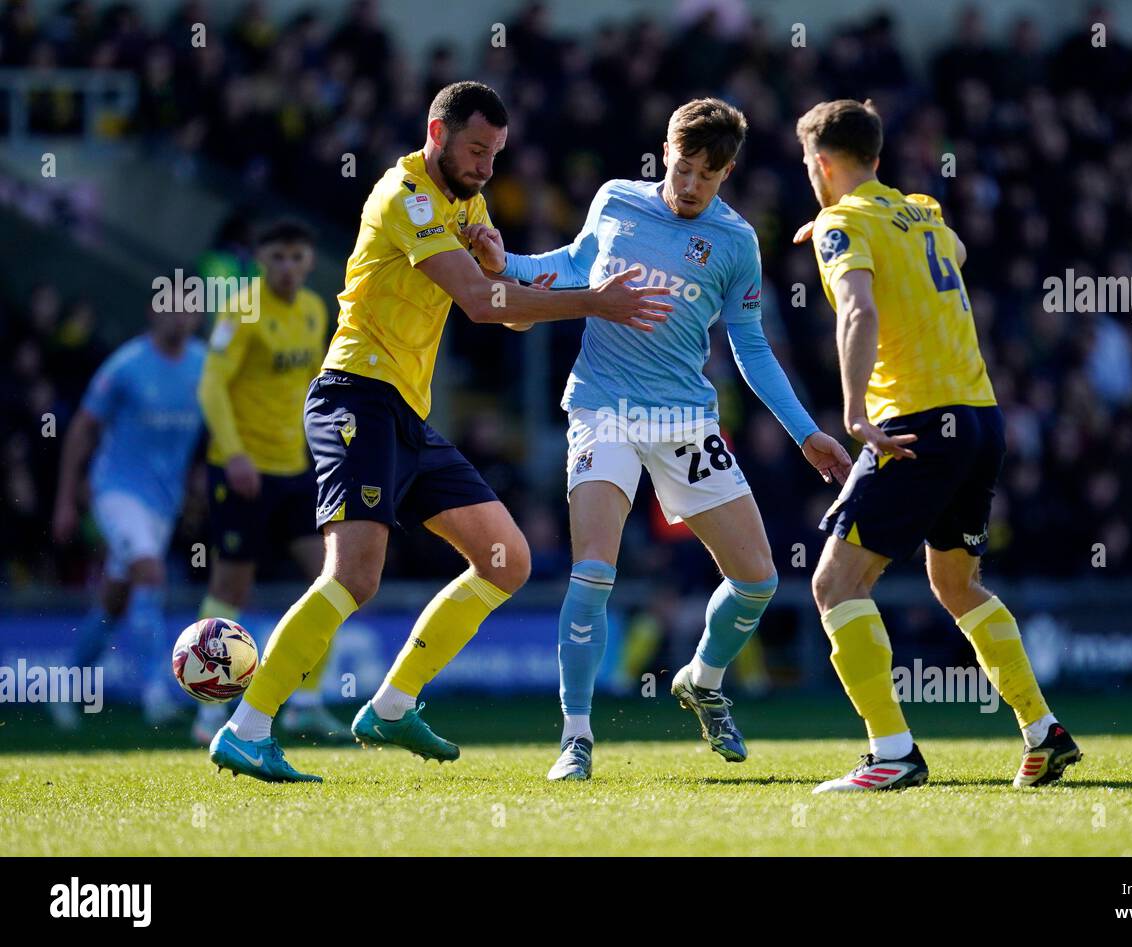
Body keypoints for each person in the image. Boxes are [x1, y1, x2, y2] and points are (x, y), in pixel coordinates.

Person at [208, 80, 672, 782]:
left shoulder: (468, 202)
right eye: (478, 150)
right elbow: (486, 309)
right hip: (355, 400)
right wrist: (594, 303)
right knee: (355, 576)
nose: (487, 167)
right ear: (438, 132)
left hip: (405, 415)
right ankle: (247, 727)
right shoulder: (407, 196)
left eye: (496, 155)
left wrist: (497, 261)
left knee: (506, 559)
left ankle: (392, 704)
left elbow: (507, 310)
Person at [467, 98, 851, 781]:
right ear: (665, 152)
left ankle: (702, 679)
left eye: (706, 173)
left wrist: (805, 432)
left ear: (726, 173)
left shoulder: (735, 244)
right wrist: (507, 261)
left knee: (758, 578)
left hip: (685, 421)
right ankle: (576, 738)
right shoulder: (616, 199)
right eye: (681, 167)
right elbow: (570, 264)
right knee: (593, 570)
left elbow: (752, 348)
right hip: (602, 407)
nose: (689, 184)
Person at [794, 99, 1081, 791]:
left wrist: (856, 411)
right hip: (981, 419)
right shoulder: (922, 209)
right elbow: (944, 252)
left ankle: (892, 752)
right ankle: (1044, 731)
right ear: (878, 160)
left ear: (823, 166)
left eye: (810, 167)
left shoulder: (842, 224)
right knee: (956, 583)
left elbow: (859, 308)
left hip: (916, 422)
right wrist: (839, 220)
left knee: (835, 584)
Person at [192, 219, 347, 746]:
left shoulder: (313, 309)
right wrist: (233, 455)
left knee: (332, 577)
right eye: (277, 257)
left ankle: (305, 702)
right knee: (232, 585)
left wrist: (327, 444)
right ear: (260, 260)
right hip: (241, 469)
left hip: (295, 468)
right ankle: (209, 712)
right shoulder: (241, 308)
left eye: (297, 257)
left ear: (309, 261)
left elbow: (310, 385)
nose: (288, 267)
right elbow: (212, 383)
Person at [52, 306, 205, 727]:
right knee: (150, 571)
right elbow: (83, 427)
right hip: (115, 490)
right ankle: (158, 692)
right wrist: (66, 499)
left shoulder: (204, 364)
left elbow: (212, 431)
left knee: (116, 598)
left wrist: (198, 485)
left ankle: (66, 683)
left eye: (189, 309)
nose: (180, 317)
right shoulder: (126, 365)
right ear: (153, 314)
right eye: (171, 308)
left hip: (163, 502)